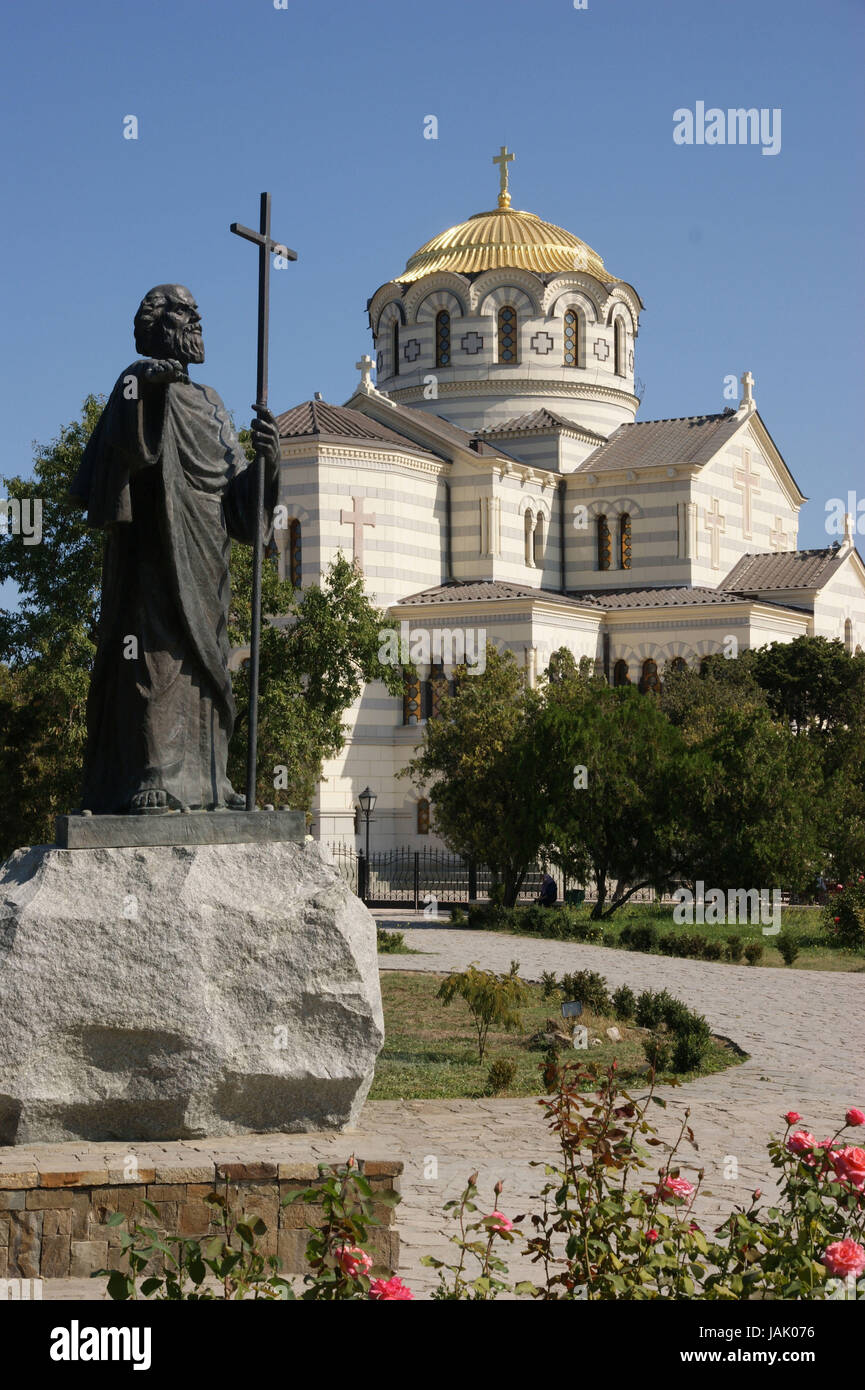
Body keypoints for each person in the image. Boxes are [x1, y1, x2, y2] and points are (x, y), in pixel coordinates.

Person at [69, 284, 281, 814]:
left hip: (208, 556)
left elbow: (237, 501)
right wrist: (147, 381)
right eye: (186, 313)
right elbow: (123, 451)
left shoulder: (210, 403)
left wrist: (268, 464)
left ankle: (212, 782)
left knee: (209, 667)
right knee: (154, 661)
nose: (198, 321)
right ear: (157, 325)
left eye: (197, 313)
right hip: (157, 549)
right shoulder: (136, 383)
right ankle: (149, 775)